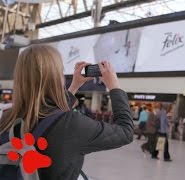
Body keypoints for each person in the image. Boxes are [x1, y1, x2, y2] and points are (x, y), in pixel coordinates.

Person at [0, 45, 134, 180]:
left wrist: (74, 86)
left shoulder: (6, 120)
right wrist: (114, 87)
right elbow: (126, 131)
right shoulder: (72, 125)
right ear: (56, 77)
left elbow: (51, 116)